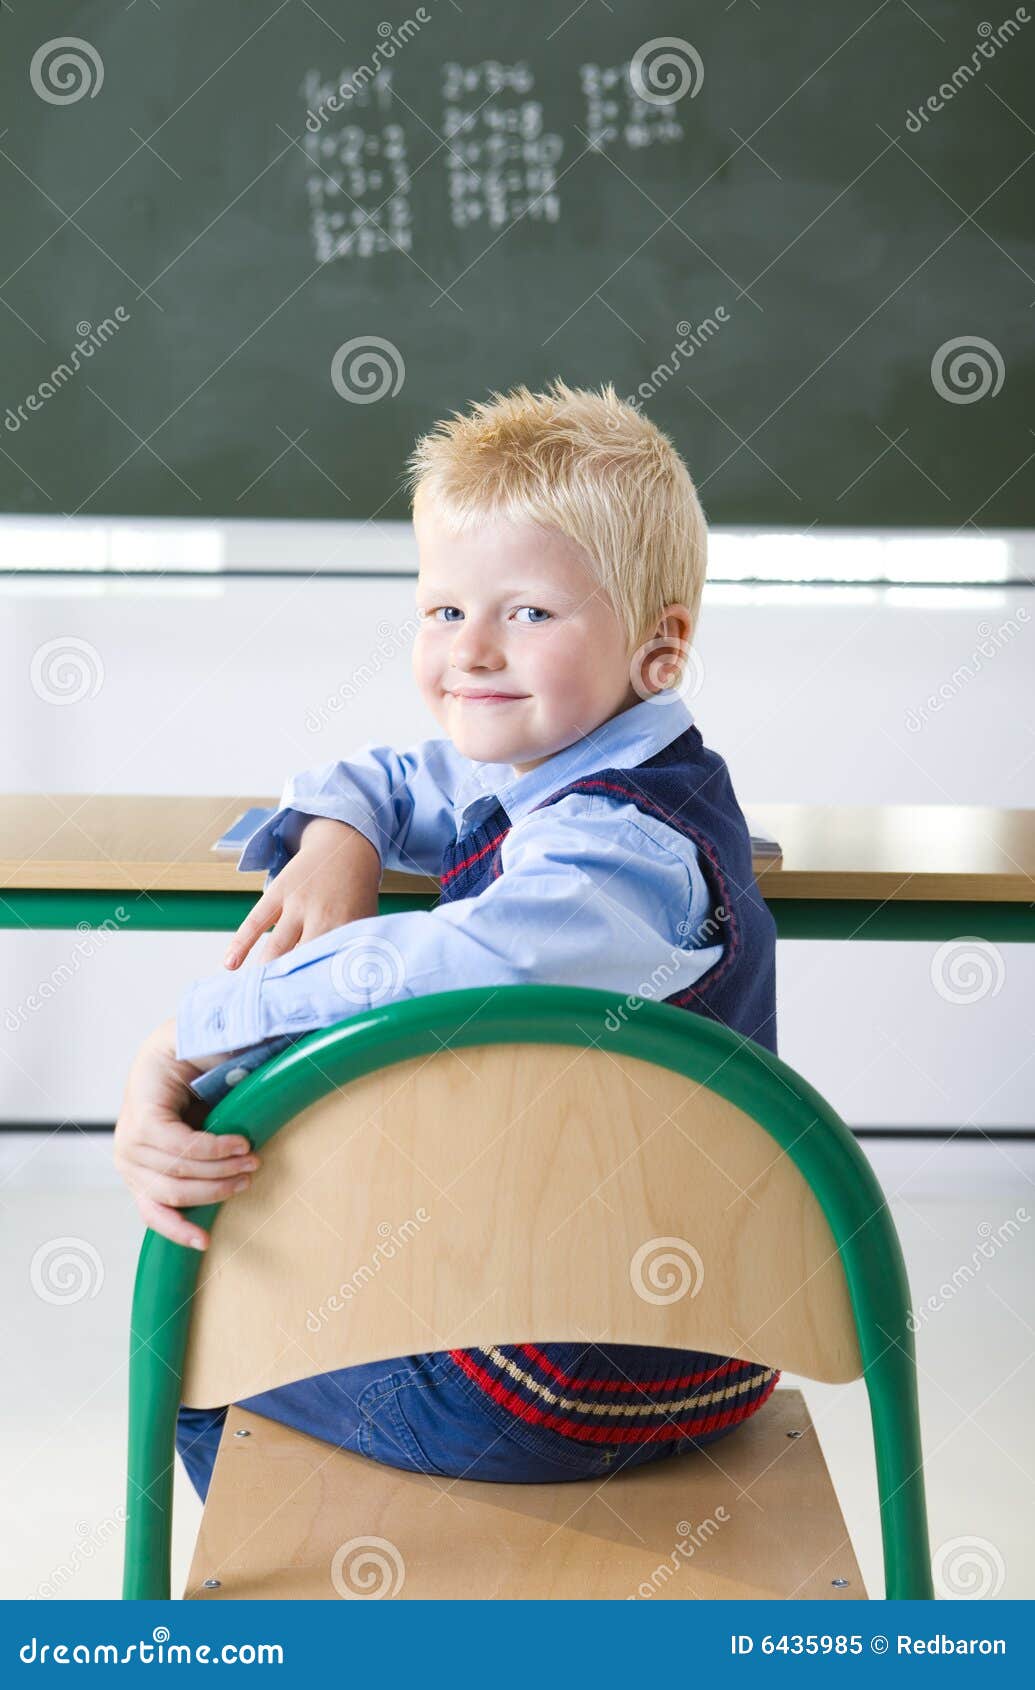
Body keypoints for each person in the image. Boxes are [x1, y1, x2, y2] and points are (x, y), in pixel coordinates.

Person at [114, 378, 780, 1501]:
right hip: (701, 1332)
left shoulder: (619, 857)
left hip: (566, 1370)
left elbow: (441, 969)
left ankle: (350, 1596)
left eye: (530, 614)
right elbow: (388, 774)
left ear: (660, 646)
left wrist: (183, 1042)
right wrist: (339, 838)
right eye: (442, 611)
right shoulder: (575, 768)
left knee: (192, 1333)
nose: (470, 652)